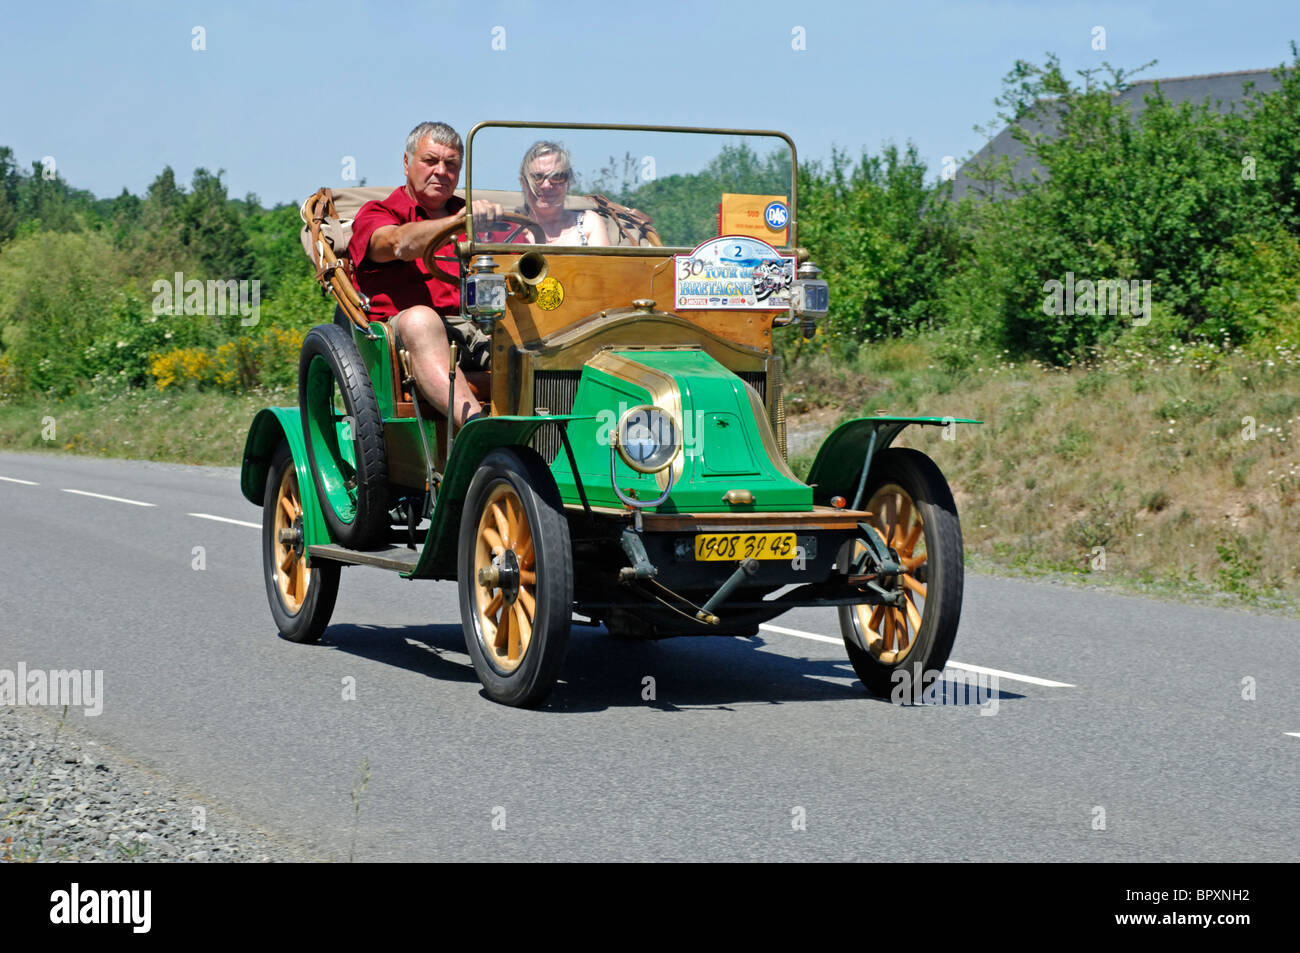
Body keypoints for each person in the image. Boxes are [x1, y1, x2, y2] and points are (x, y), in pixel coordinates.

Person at [347, 121, 503, 426]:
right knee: (422, 319)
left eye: (451, 164)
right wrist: (456, 225)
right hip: (405, 337)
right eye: (430, 161)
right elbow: (398, 243)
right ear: (407, 163)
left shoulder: (472, 215)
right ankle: (478, 430)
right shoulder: (379, 213)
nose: (441, 171)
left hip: (479, 328)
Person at [517, 141, 610, 246]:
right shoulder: (510, 231)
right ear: (523, 183)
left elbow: (606, 263)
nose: (546, 185)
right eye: (537, 177)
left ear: (568, 182)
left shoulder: (588, 224)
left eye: (556, 177)